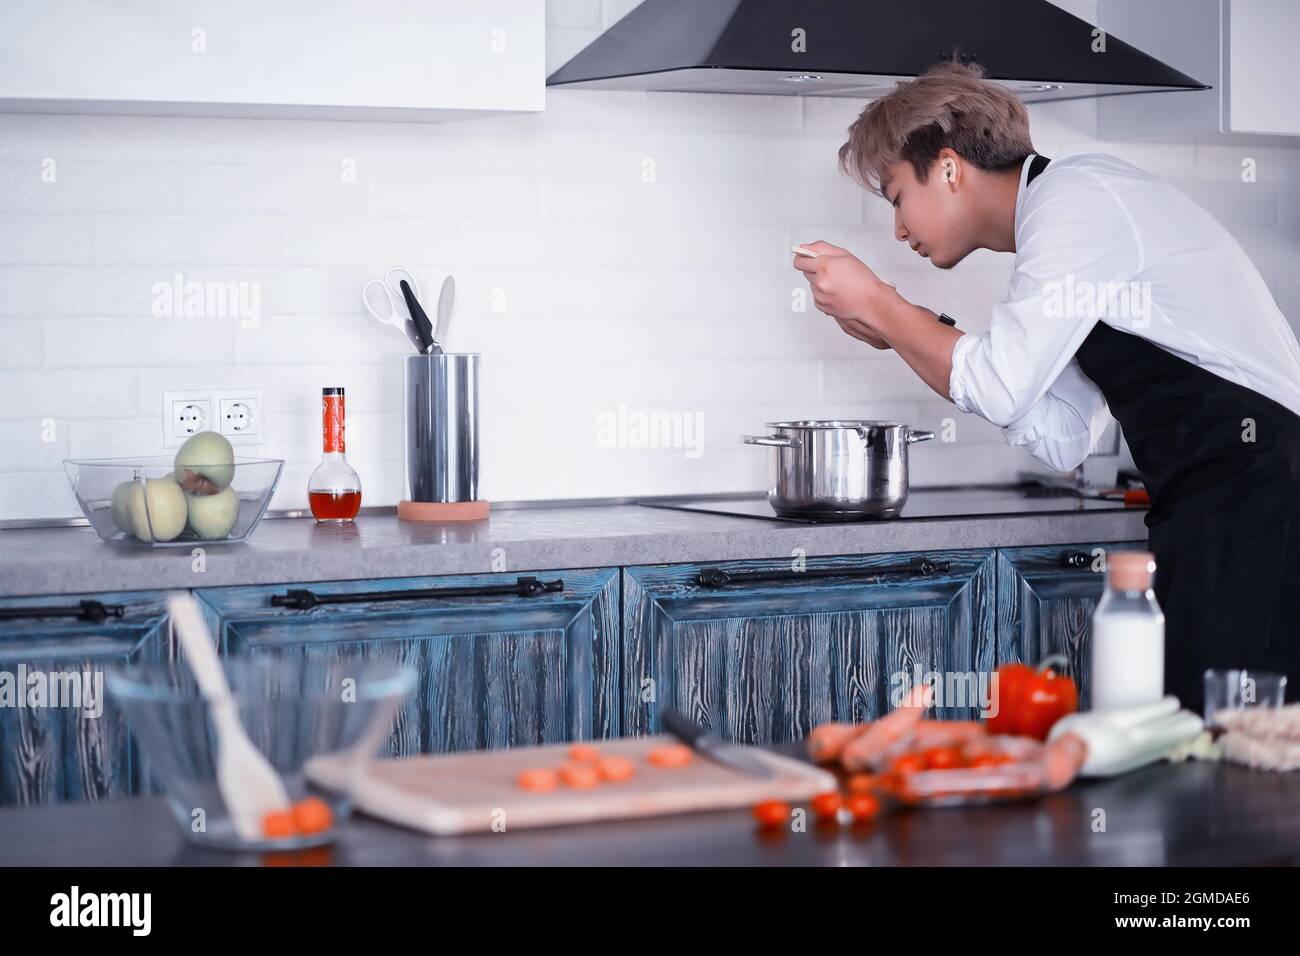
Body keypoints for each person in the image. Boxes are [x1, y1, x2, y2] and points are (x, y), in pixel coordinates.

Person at [794, 62, 1300, 713]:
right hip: (1222, 502)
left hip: (1263, 497)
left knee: (1237, 745)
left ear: (948, 168)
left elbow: (999, 387)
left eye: (895, 196)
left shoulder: (1076, 201)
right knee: (1207, 740)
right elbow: (1063, 433)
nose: (897, 228)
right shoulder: (1058, 225)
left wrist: (888, 309)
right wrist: (900, 328)